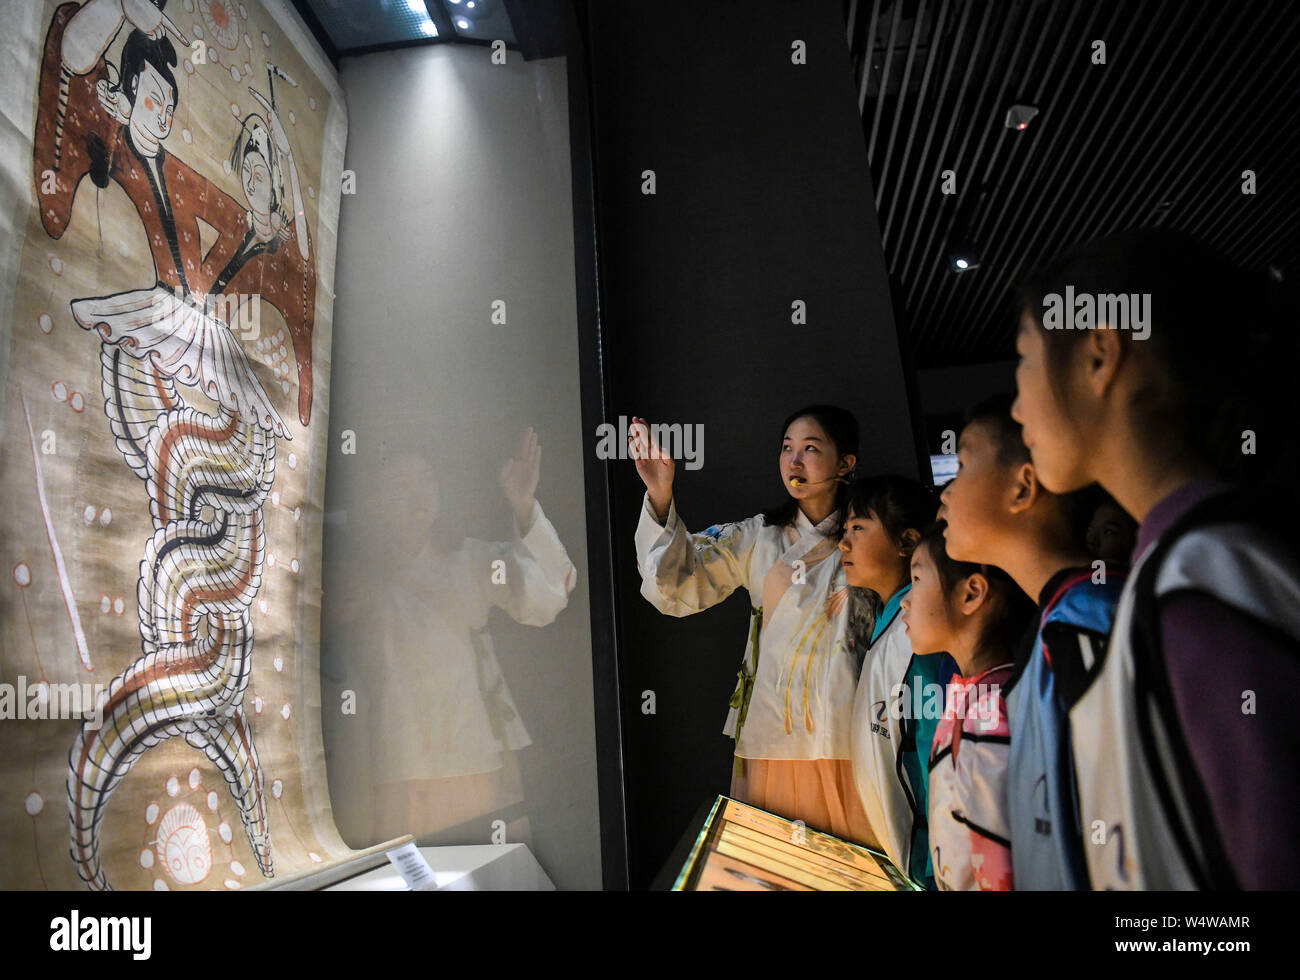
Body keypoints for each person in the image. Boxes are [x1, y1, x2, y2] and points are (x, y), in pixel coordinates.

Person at [1010, 228, 1300, 889]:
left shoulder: (1200, 595)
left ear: (1100, 354)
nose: (1019, 404)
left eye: (1024, 360)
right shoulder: (1185, 574)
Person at [630, 406, 878, 847]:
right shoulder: (759, 537)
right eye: (787, 449)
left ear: (846, 463)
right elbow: (676, 583)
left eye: (810, 449)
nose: (794, 462)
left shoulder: (869, 536)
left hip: (851, 730)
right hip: (774, 733)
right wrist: (661, 494)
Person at [939, 394, 1122, 890]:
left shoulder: (1088, 623)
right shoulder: (1056, 622)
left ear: (1023, 486)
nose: (945, 495)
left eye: (961, 466)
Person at [904, 522, 1036, 890]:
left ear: (971, 593)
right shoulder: (974, 695)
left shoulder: (990, 713)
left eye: (916, 579)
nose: (905, 599)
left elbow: (1000, 873)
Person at [841, 475, 947, 885]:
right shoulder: (891, 621)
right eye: (845, 530)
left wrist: (931, 869)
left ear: (906, 542)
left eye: (858, 528)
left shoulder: (918, 634)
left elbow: (931, 754)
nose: (843, 544)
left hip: (928, 865)